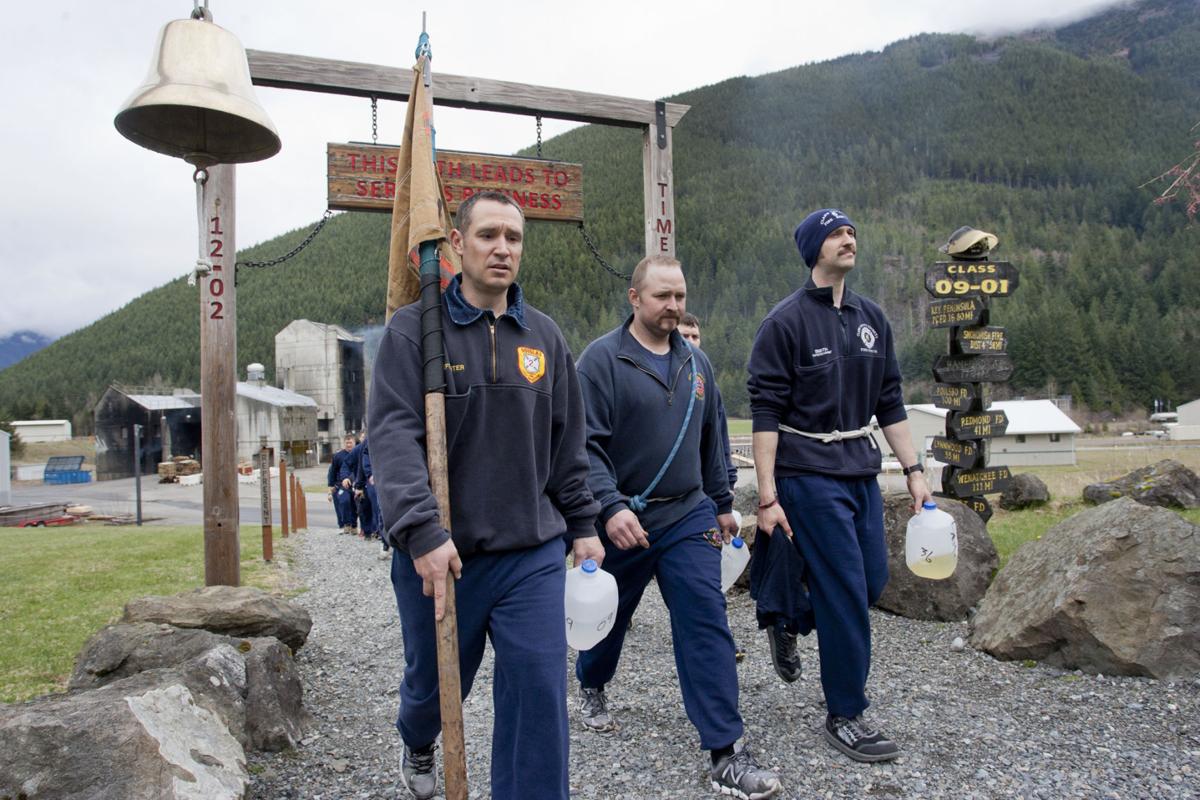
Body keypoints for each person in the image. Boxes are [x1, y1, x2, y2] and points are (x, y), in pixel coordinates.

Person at [368, 190, 603, 800]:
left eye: (514, 238)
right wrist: (421, 530)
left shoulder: (546, 338)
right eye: (488, 235)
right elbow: (393, 437)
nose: (502, 248)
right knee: (435, 686)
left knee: (539, 694)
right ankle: (417, 739)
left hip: (530, 552)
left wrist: (583, 523)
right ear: (456, 244)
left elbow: (566, 446)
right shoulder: (414, 332)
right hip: (445, 556)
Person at [574, 255, 782, 800]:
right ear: (635, 297)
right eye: (663, 296)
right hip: (623, 517)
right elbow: (583, 446)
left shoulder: (697, 364)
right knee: (609, 617)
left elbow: (713, 439)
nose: (674, 306)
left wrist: (720, 503)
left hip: (687, 514)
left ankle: (725, 752)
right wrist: (611, 506)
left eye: (680, 296)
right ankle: (591, 680)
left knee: (705, 619)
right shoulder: (600, 362)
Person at [747, 208, 932, 764]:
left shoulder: (871, 316)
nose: (848, 239)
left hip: (860, 470)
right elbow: (764, 414)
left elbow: (891, 401)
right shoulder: (784, 323)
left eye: (851, 231)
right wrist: (767, 496)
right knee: (848, 590)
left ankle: (788, 615)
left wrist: (915, 471)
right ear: (812, 249)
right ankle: (846, 714)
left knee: (871, 581)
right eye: (835, 233)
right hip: (807, 472)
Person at [675, 310, 746, 663]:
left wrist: (725, 492)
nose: (689, 342)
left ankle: (718, 643)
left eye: (695, 337)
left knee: (706, 586)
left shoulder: (706, 379)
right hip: (640, 507)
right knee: (621, 595)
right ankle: (594, 676)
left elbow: (718, 438)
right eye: (683, 335)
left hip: (698, 504)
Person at [353, 428, 385, 551]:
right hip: (377, 478)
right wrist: (359, 485)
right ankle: (384, 541)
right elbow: (362, 460)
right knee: (379, 509)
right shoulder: (367, 442)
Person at [327, 434, 358, 535]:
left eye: (351, 443)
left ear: (354, 443)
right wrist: (330, 486)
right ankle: (346, 524)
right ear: (344, 443)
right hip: (342, 485)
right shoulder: (338, 456)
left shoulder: (358, 454)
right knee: (344, 502)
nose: (349, 445)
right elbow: (332, 471)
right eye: (347, 443)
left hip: (356, 484)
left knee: (355, 505)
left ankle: (354, 525)